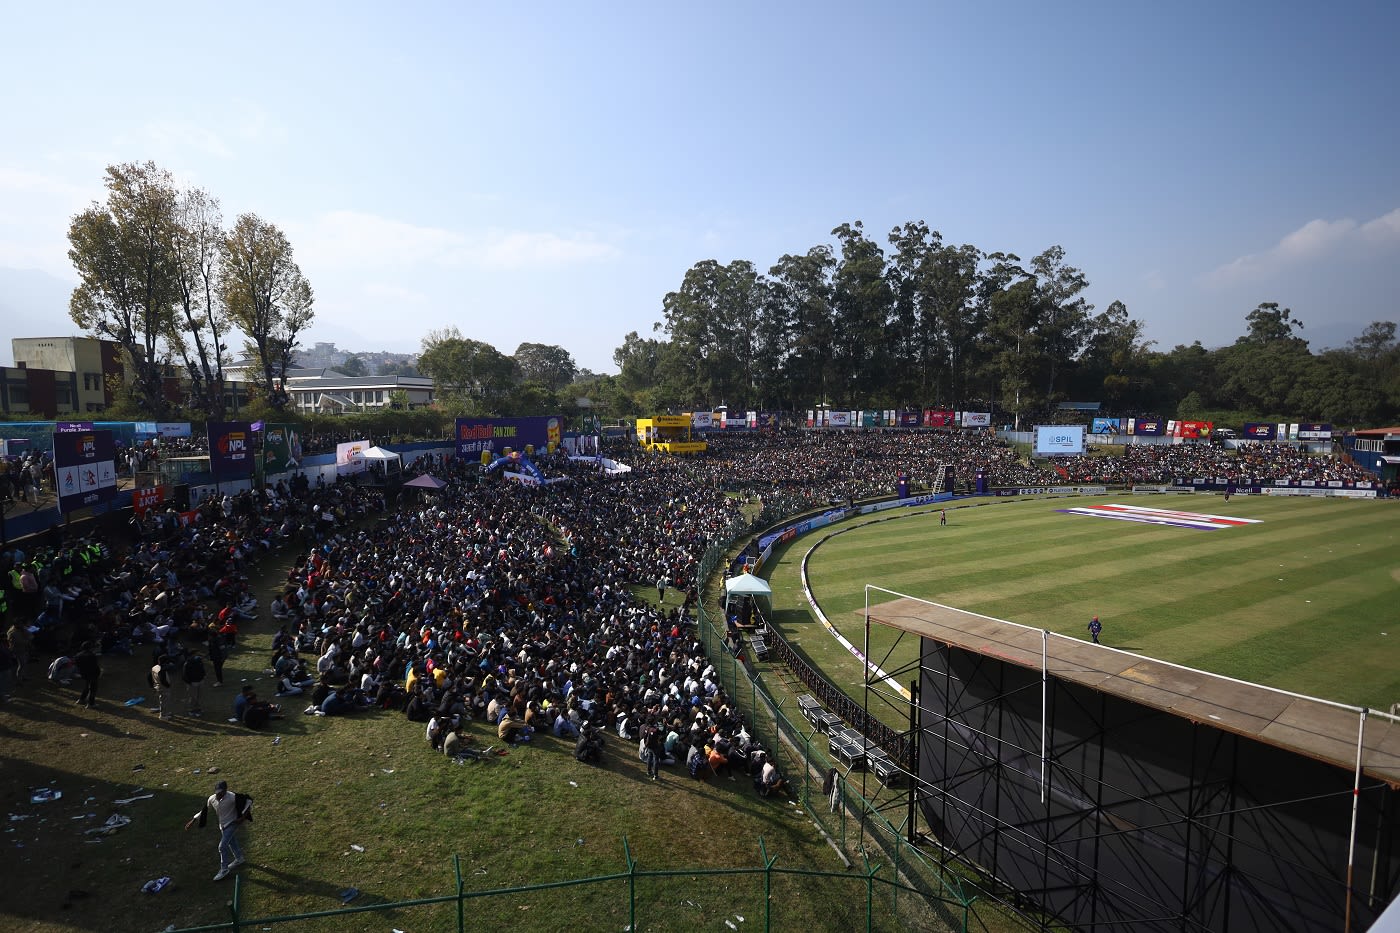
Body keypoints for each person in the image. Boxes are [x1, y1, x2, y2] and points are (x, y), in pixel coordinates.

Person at [184, 779, 253, 881]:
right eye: (217, 792)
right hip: (223, 826)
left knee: (222, 846)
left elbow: (248, 802)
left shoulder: (232, 797)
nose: (218, 795)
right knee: (231, 841)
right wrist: (193, 820)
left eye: (221, 793)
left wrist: (242, 818)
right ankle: (239, 858)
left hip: (232, 824)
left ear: (225, 791)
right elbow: (204, 810)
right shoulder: (211, 799)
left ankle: (224, 869)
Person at [75, 642, 101, 708]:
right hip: (92, 673)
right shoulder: (92, 655)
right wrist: (98, 673)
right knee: (93, 688)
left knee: (87, 686)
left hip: (83, 673)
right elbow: (95, 666)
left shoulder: (78, 655)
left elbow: (77, 665)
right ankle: (91, 703)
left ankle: (81, 699)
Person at [183, 651, 206, 716]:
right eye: (194, 655)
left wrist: (203, 677)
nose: (196, 656)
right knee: (193, 697)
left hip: (200, 681)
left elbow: (202, 670)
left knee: (199, 696)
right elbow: (185, 675)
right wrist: (189, 683)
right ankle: (191, 710)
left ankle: (198, 708)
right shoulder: (187, 663)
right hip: (192, 683)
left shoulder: (199, 661)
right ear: (191, 656)